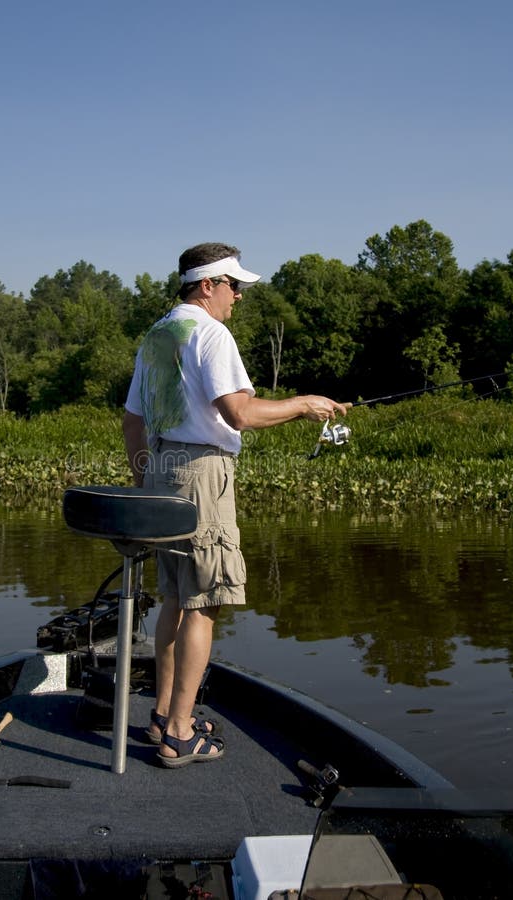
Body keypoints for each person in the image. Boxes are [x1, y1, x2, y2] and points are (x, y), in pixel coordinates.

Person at [123, 242, 349, 768]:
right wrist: (303, 405)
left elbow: (133, 420)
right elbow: (239, 413)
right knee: (204, 602)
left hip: (158, 471)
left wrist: (144, 479)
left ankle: (161, 712)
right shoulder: (210, 332)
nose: (239, 297)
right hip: (202, 476)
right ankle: (179, 733)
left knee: (176, 598)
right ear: (208, 285)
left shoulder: (158, 335)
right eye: (234, 286)